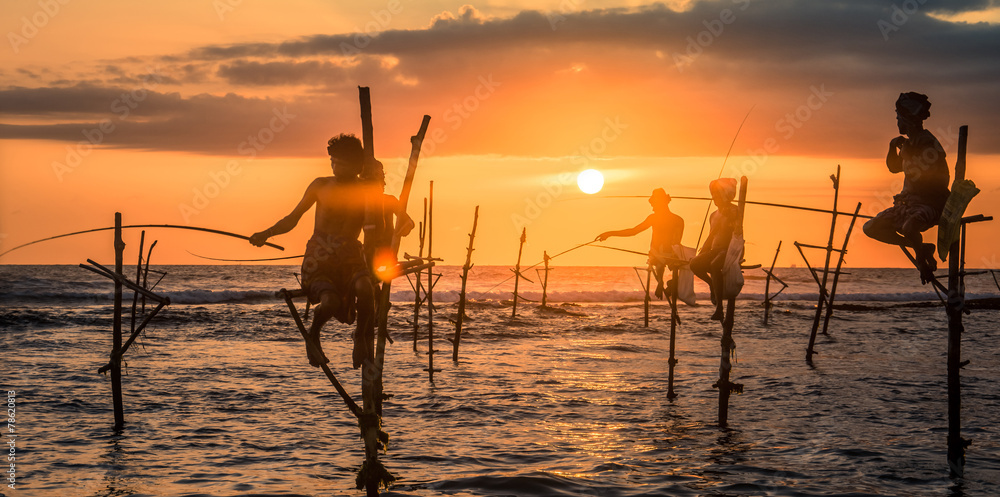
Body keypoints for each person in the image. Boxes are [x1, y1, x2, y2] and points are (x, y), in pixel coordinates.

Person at [250, 134, 377, 369]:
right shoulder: (320, 185)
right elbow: (292, 219)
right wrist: (265, 234)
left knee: (366, 289)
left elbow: (377, 221)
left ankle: (360, 336)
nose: (335, 166)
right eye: (332, 161)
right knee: (329, 301)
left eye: (341, 163)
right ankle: (314, 335)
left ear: (357, 166)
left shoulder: (367, 190)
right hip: (320, 256)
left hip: (350, 254)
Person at [862, 92, 950, 283]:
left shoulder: (926, 142)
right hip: (909, 203)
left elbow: (932, 179)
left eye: (898, 118)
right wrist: (892, 146)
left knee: (909, 227)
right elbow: (894, 168)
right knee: (871, 228)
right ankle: (922, 248)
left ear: (906, 118)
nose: (897, 122)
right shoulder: (909, 144)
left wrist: (908, 153)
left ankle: (922, 263)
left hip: (931, 203)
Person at [596, 188, 684, 299]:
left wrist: (609, 233)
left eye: (653, 204)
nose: (652, 208)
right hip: (672, 255)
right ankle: (673, 282)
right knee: (673, 259)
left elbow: (633, 231)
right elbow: (677, 242)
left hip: (657, 255)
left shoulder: (654, 218)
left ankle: (660, 280)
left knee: (656, 256)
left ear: (659, 203)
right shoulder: (678, 220)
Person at [690, 178, 738, 321]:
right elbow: (711, 236)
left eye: (717, 194)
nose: (714, 198)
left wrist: (731, 216)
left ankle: (719, 308)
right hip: (714, 251)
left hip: (728, 251)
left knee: (715, 265)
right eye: (713, 194)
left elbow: (737, 232)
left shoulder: (734, 210)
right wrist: (703, 251)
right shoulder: (714, 215)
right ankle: (712, 284)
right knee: (694, 264)